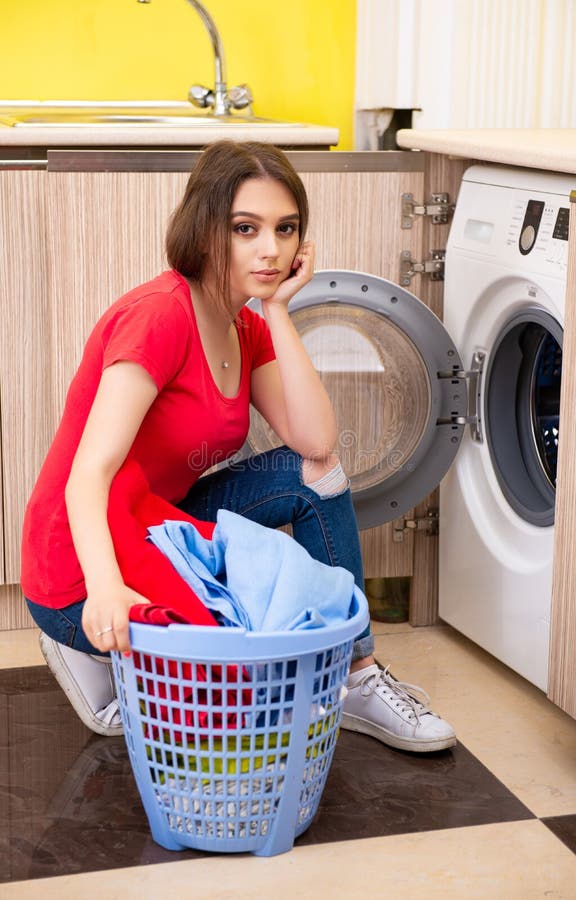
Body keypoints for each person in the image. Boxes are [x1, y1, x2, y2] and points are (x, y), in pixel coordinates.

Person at [21, 140, 455, 754]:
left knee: (315, 475)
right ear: (205, 231)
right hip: (81, 563)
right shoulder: (159, 318)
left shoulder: (244, 323)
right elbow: (87, 475)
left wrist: (279, 309)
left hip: (161, 523)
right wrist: (107, 590)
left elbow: (317, 441)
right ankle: (84, 645)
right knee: (245, 693)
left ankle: (353, 674)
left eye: (285, 229)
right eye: (245, 228)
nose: (270, 249)